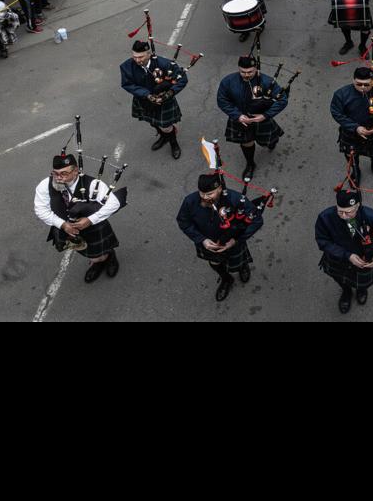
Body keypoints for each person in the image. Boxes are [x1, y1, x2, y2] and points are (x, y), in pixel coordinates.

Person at [314, 185, 373, 314]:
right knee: (340, 279)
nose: (344, 216)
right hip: (337, 259)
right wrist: (348, 255)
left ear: (357, 206)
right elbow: (322, 241)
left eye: (348, 212)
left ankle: (362, 289)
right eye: (340, 211)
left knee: (363, 283)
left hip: (364, 260)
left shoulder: (370, 215)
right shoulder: (325, 217)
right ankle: (346, 292)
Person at [34, 152, 121, 283]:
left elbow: (114, 203)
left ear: (76, 171)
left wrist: (90, 220)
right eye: (55, 173)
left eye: (64, 173)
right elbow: (40, 209)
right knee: (88, 251)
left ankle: (109, 257)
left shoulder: (92, 184)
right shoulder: (45, 185)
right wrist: (62, 224)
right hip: (67, 229)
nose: (58, 178)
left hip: (93, 227)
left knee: (101, 249)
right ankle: (97, 261)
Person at [176, 171, 262, 303]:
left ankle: (243, 267)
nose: (205, 197)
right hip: (209, 245)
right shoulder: (190, 201)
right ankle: (226, 279)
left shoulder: (236, 199)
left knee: (240, 259)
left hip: (233, 242)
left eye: (210, 194)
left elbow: (256, 220)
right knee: (215, 263)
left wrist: (235, 240)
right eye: (202, 193)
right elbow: (183, 222)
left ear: (220, 188)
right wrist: (202, 240)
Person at [216, 55, 288, 181]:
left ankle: (272, 142)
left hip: (262, 118)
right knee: (246, 142)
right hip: (241, 119)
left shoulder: (266, 81)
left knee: (269, 140)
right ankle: (250, 164)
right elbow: (222, 100)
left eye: (250, 71)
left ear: (256, 68)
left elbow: (282, 100)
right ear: (238, 68)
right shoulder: (228, 81)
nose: (246, 74)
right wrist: (237, 115)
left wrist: (265, 115)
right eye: (243, 72)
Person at [328, 66, 373, 184]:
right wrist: (355, 127)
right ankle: (355, 170)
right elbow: (336, 113)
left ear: (372, 81)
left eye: (366, 84)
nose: (362, 87)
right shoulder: (341, 94)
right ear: (353, 80)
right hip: (351, 132)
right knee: (351, 156)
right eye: (359, 84)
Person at [120, 39, 187, 159]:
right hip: (144, 100)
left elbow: (182, 79)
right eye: (134, 56)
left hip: (164, 100)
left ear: (149, 54)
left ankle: (173, 143)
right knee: (152, 122)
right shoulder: (126, 66)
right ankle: (163, 137)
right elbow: (128, 84)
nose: (137, 60)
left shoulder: (165, 64)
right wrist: (147, 95)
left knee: (166, 126)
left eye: (140, 57)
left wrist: (170, 92)